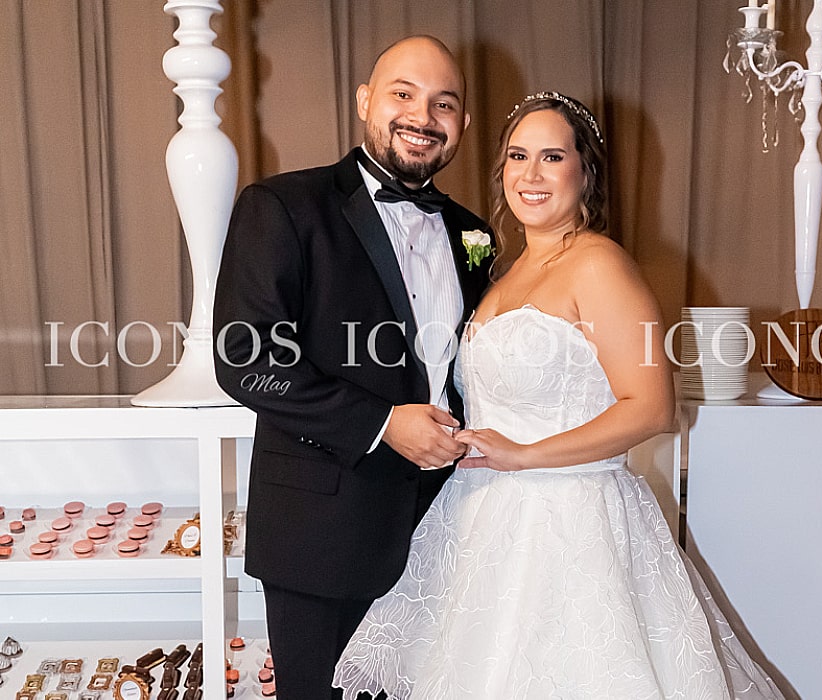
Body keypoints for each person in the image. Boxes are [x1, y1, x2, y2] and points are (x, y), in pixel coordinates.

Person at [333, 92, 785, 699]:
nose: (532, 174)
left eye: (552, 156)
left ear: (584, 171)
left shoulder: (600, 265)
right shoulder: (504, 273)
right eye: (519, 156)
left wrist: (524, 454)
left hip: (574, 521)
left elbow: (652, 406)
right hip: (483, 523)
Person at [213, 36, 491, 700]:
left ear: (463, 125)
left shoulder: (475, 235)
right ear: (366, 99)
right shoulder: (282, 207)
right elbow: (245, 357)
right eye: (403, 94)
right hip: (322, 534)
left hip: (444, 530)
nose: (423, 116)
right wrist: (381, 423)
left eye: (443, 103)